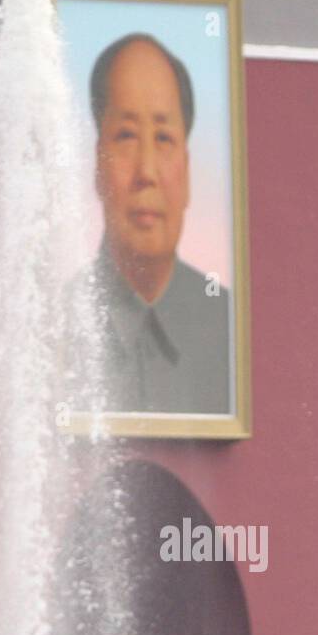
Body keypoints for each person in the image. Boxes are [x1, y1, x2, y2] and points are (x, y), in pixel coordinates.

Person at [87, 33, 230, 416]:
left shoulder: (228, 328)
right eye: (127, 136)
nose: (146, 172)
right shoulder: (55, 322)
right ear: (97, 165)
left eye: (164, 138)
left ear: (186, 172)